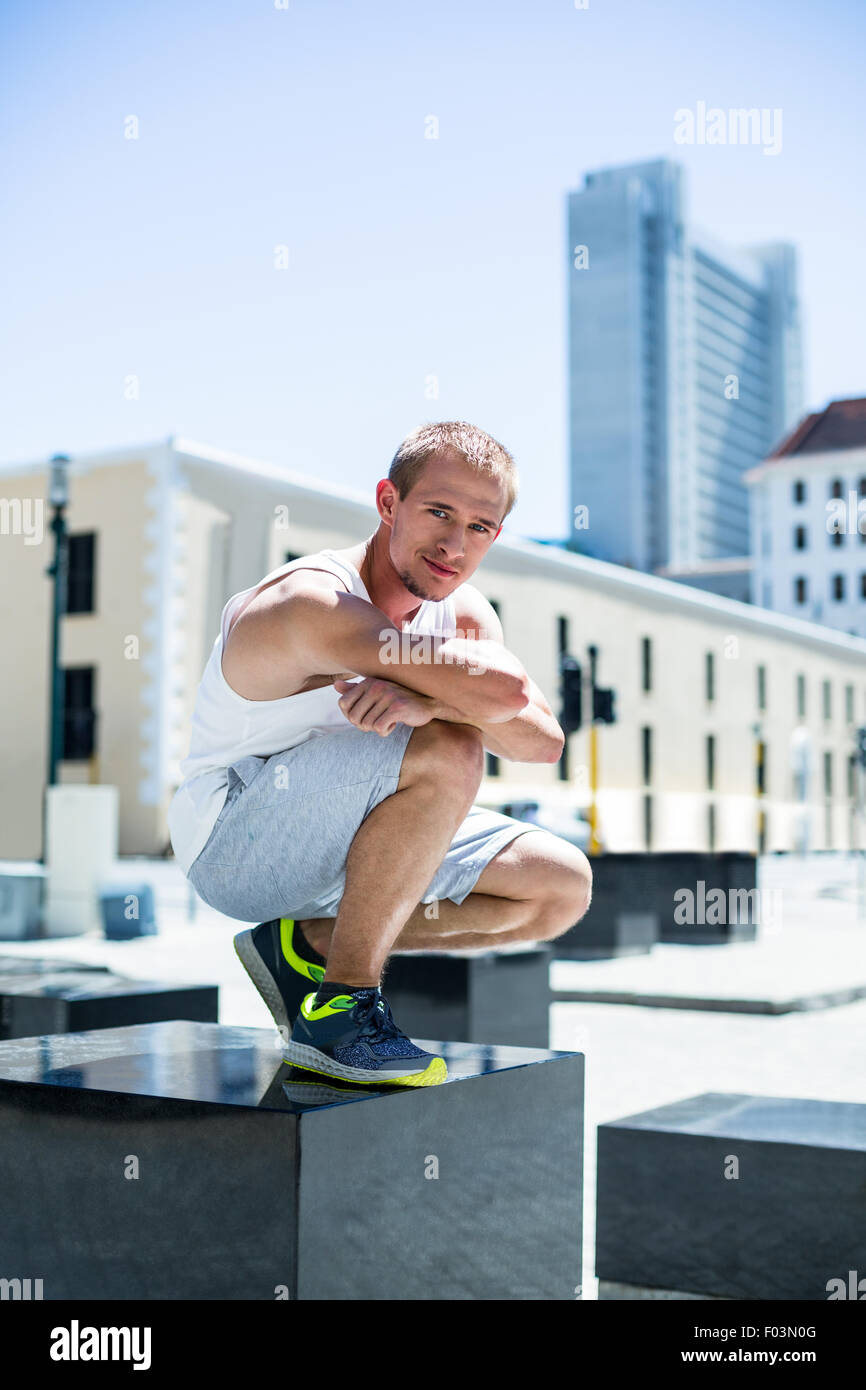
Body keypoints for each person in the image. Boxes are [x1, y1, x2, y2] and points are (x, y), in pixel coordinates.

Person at [167, 421, 592, 1087]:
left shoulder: (465, 615)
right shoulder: (311, 601)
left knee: (559, 890)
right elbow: (506, 691)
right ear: (389, 503)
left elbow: (542, 741)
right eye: (439, 513)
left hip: (357, 845)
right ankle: (342, 1010)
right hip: (236, 844)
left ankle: (305, 944)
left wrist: (427, 701)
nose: (455, 544)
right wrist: (453, 702)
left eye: (480, 527)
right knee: (453, 750)